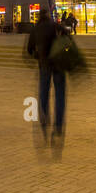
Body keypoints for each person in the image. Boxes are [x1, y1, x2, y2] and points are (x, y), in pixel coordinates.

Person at [26, 10, 66, 148]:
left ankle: (44, 117)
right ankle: (58, 124)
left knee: (44, 91)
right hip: (59, 64)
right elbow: (67, 35)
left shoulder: (35, 29)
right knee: (60, 95)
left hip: (44, 65)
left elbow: (29, 49)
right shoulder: (55, 26)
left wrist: (37, 56)